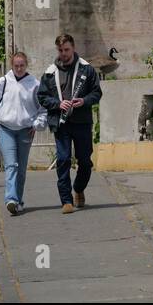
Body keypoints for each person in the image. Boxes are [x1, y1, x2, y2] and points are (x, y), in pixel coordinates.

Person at [37, 34, 102, 214]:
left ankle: (78, 188)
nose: (64, 54)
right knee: (64, 159)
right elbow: (41, 97)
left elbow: (97, 93)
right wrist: (58, 104)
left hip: (81, 121)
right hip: (61, 122)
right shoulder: (50, 72)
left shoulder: (87, 69)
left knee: (85, 162)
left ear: (73, 48)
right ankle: (66, 200)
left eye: (66, 50)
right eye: (60, 50)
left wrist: (85, 101)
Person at [0, 51, 48, 215]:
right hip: (6, 129)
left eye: (22, 65)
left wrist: (37, 124)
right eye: (16, 66)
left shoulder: (34, 84)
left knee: (22, 168)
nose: (19, 68)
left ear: (26, 65)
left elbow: (43, 108)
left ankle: (18, 200)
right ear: (12, 65)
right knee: (11, 165)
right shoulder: (3, 82)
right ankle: (10, 199)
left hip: (26, 130)